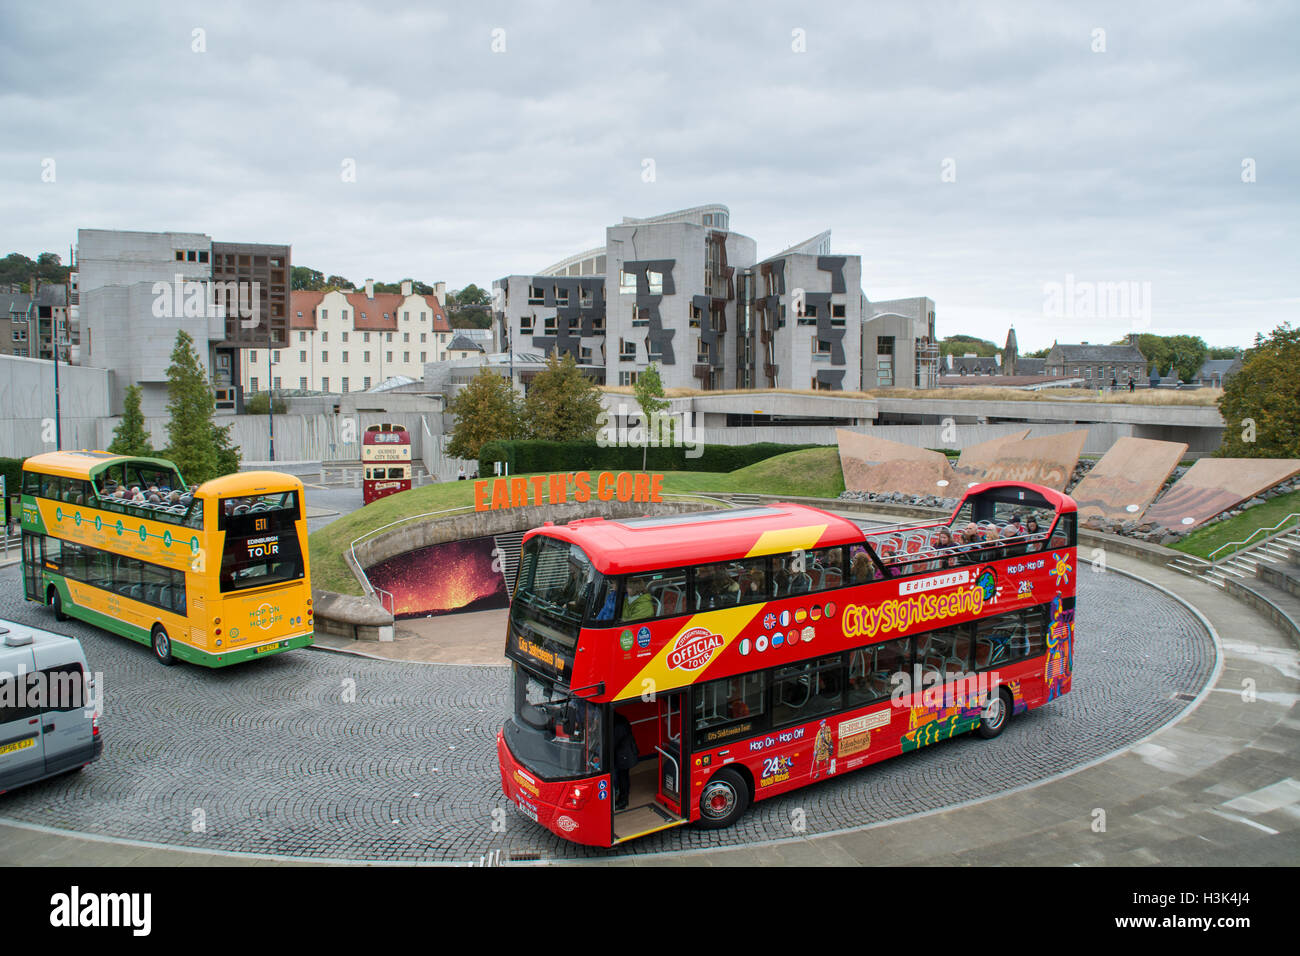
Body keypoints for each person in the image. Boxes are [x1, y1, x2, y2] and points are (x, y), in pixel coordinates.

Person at [612, 712, 638, 811]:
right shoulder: (621, 719)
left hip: (623, 755)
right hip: (625, 754)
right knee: (623, 777)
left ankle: (623, 801)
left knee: (622, 778)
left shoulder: (617, 725)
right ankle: (622, 798)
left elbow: (614, 741)